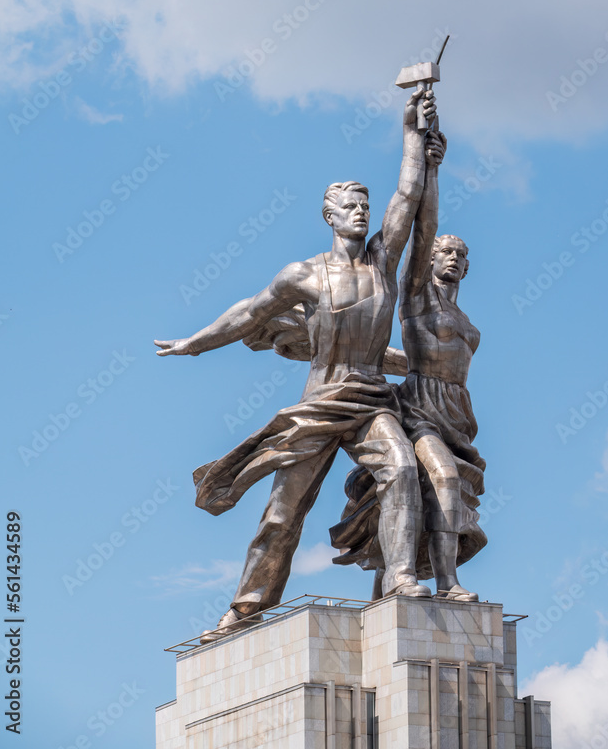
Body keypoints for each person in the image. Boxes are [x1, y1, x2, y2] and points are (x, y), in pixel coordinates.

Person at [155, 90, 437, 637]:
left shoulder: (384, 257)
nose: (361, 211)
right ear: (328, 216)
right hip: (320, 400)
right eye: (349, 206)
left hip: (371, 397)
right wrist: (196, 342)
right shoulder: (303, 275)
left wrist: (412, 132)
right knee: (283, 513)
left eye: (365, 205)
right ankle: (244, 609)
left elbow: (408, 193)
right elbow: (250, 311)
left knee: (401, 469)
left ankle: (401, 576)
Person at [331, 133, 487, 602]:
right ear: (431, 261)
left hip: (457, 410)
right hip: (420, 403)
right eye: (447, 253)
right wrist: (433, 169)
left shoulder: (464, 319)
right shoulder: (418, 297)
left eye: (462, 256)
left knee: (444, 491)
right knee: (443, 476)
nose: (454, 260)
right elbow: (425, 225)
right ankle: (448, 582)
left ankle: (411, 581)